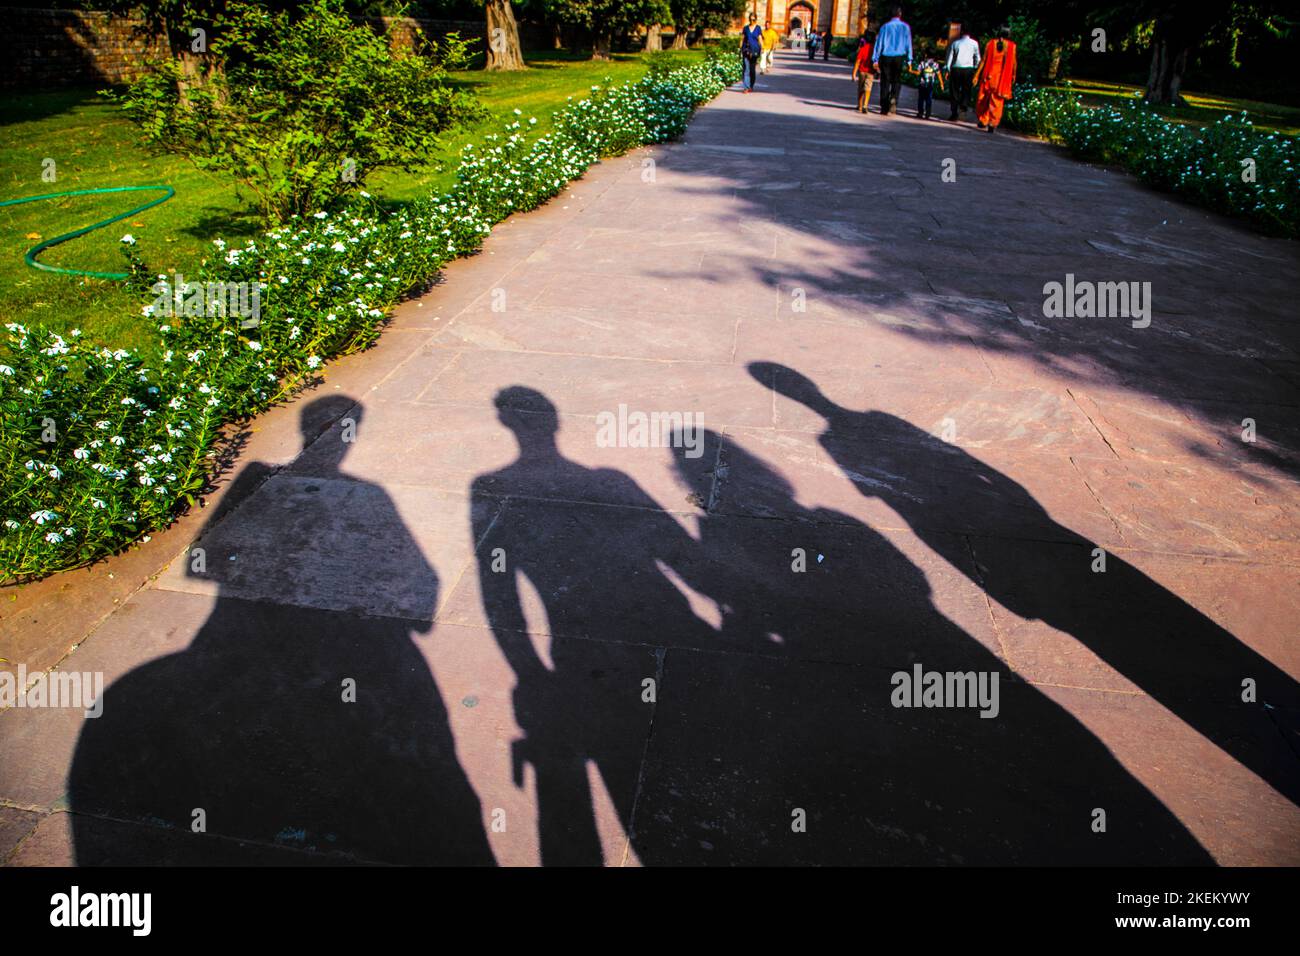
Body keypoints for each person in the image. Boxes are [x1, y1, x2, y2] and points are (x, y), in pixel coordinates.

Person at [974, 25, 1017, 131]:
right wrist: (1013, 75)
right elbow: (1014, 63)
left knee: (983, 99)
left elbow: (983, 60)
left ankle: (984, 120)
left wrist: (976, 75)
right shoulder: (1012, 46)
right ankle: (993, 123)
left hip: (989, 76)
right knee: (997, 102)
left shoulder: (991, 43)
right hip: (1001, 78)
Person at [872, 6, 912, 116]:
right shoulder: (905, 27)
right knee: (897, 80)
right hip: (899, 57)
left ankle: (884, 105)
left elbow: (878, 44)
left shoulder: (885, 27)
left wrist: (875, 59)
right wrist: (909, 61)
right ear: (900, 14)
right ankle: (894, 98)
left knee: (885, 81)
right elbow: (908, 44)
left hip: (886, 57)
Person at [945, 23, 980, 120]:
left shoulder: (956, 43)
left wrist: (948, 69)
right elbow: (978, 58)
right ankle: (963, 108)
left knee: (954, 91)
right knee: (966, 90)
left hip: (956, 68)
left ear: (962, 31)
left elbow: (950, 59)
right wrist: (975, 68)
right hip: (968, 69)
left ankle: (954, 112)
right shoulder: (974, 43)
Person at [850, 29, 876, 114]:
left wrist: (854, 73)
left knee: (861, 88)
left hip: (862, 71)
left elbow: (858, 61)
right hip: (871, 72)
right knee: (868, 88)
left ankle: (860, 105)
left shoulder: (863, 48)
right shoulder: (875, 50)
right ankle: (865, 104)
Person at [910, 54, 943, 119]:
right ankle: (928, 113)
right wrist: (941, 83)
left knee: (921, 99)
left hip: (922, 84)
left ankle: (920, 113)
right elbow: (939, 74)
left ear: (926, 55)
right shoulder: (935, 64)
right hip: (930, 84)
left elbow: (918, 73)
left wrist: (912, 71)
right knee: (929, 99)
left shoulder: (922, 63)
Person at [739, 13, 763, 93]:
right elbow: (742, 39)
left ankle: (751, 85)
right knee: (746, 69)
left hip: (755, 51)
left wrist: (762, 48)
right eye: (750, 19)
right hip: (746, 50)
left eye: (753, 19)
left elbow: (760, 39)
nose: (752, 21)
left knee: (752, 70)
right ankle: (746, 87)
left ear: (756, 19)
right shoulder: (746, 28)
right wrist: (740, 48)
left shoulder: (758, 28)